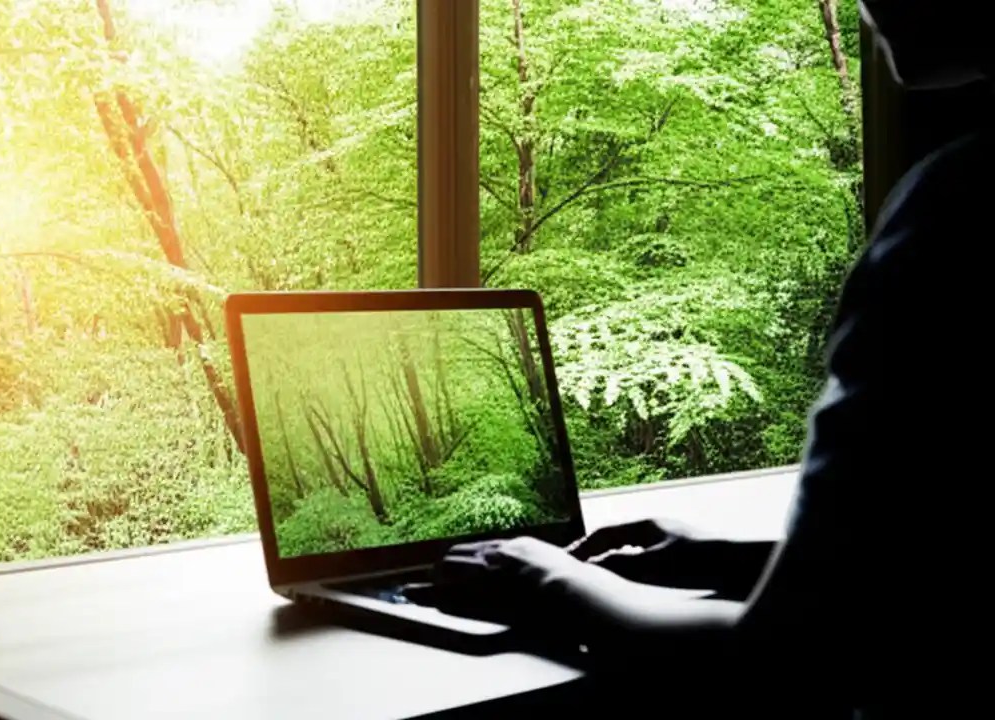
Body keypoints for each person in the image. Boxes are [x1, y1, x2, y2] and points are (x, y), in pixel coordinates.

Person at [406, 2, 992, 717]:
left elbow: (785, 656)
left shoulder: (962, 210)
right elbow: (936, 574)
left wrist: (546, 577)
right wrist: (721, 557)